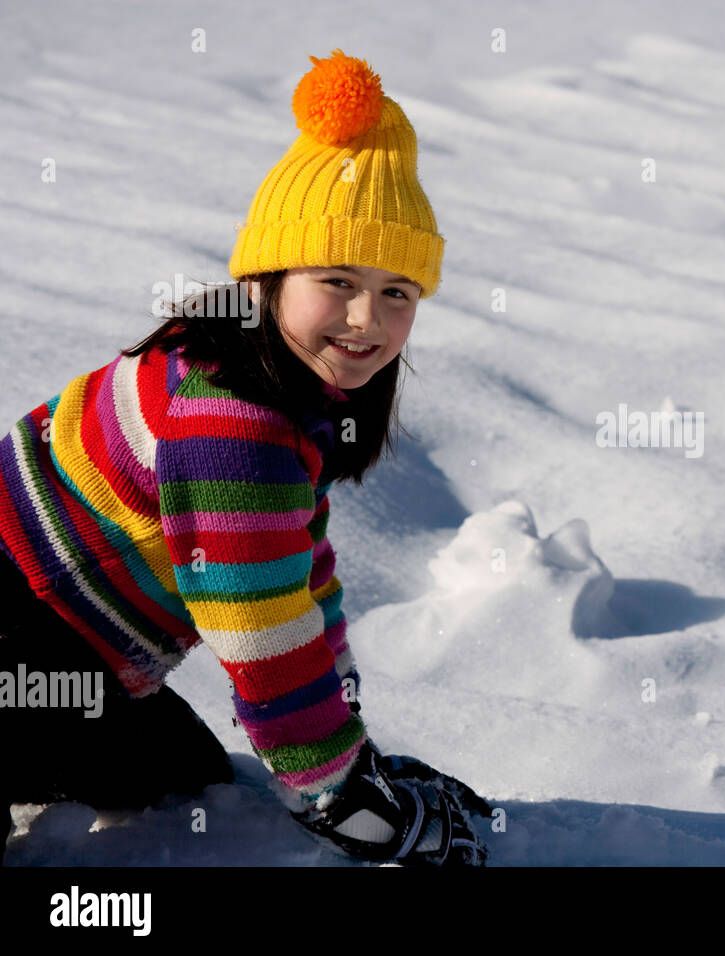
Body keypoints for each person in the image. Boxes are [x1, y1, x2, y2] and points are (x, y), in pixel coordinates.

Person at [0, 49, 490, 867]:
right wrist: (340, 796)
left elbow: (298, 571)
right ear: (267, 277)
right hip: (20, 640)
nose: (367, 318)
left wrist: (343, 744)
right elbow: (256, 622)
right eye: (337, 278)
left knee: (185, 777)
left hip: (58, 653)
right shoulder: (231, 420)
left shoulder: (274, 385)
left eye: (399, 291)